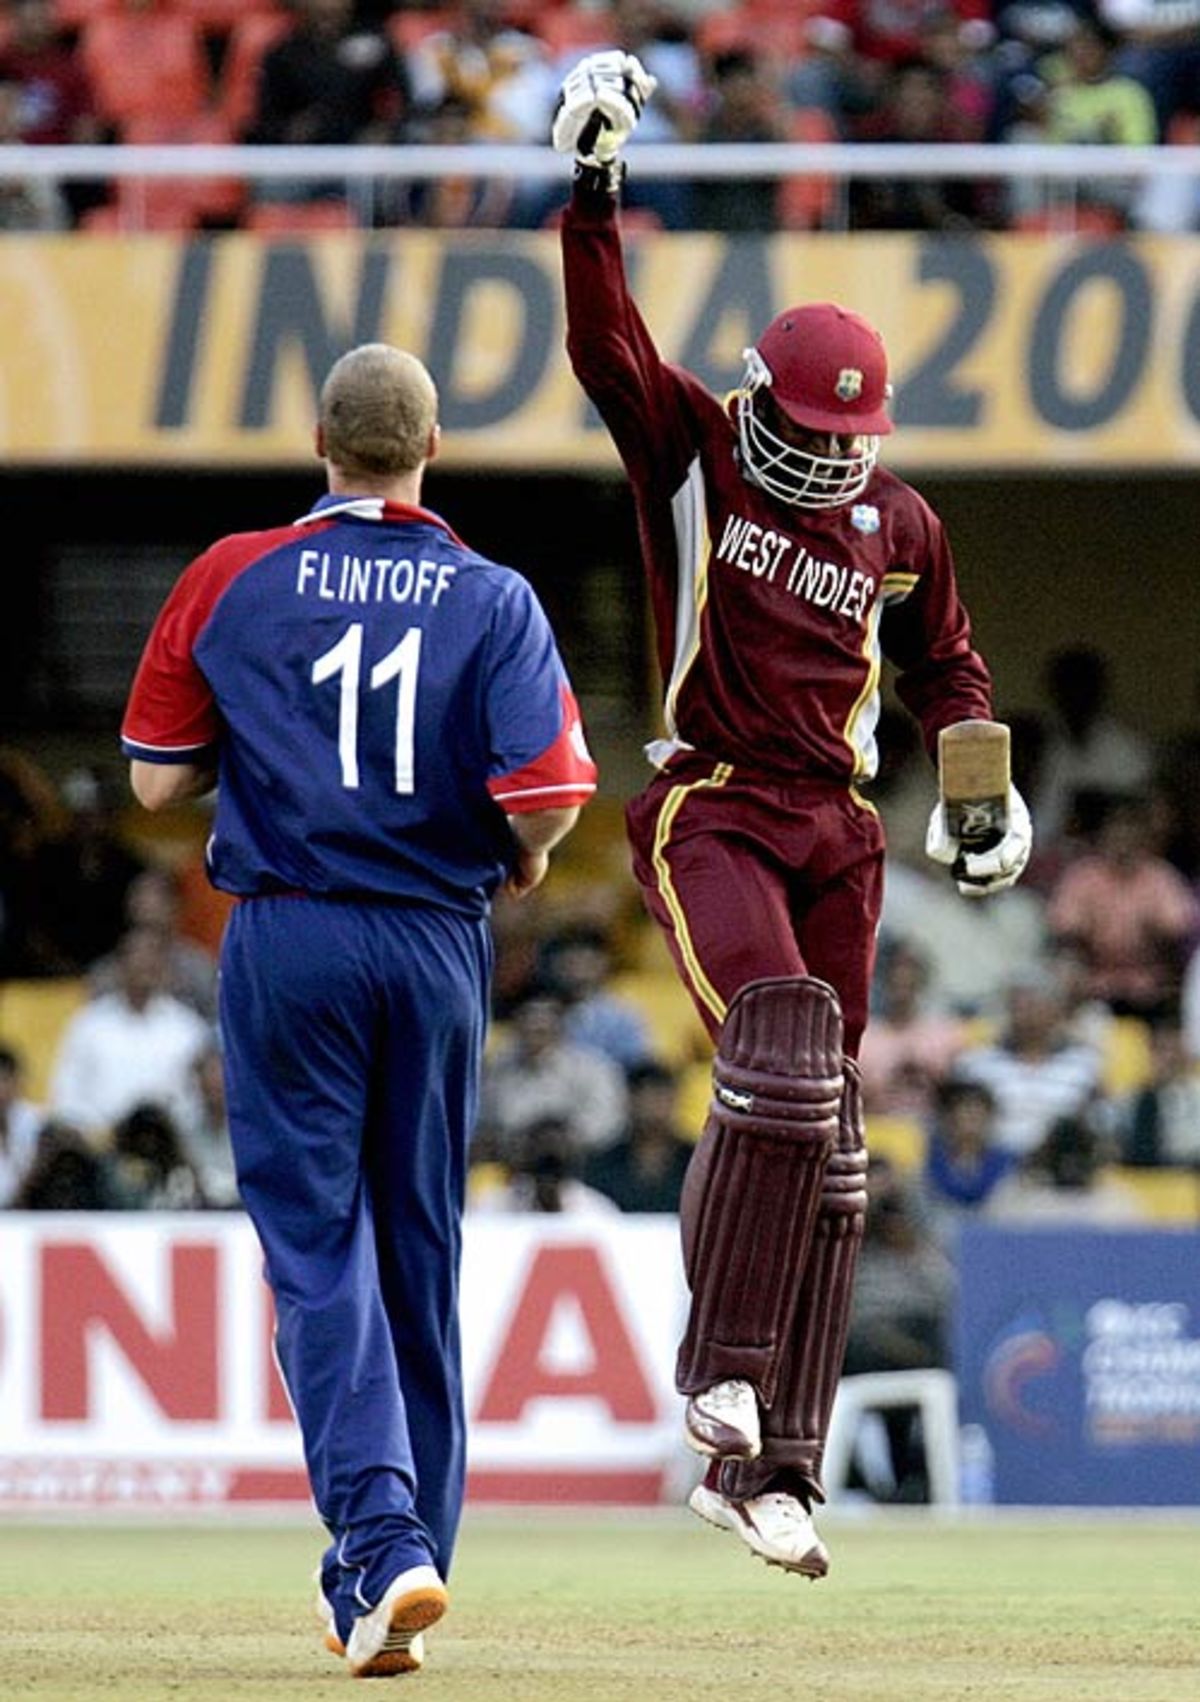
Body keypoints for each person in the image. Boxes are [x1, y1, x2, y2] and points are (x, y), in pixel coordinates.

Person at [550, 51, 1032, 1578]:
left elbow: (950, 666)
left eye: (845, 440)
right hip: (713, 801)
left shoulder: (901, 519)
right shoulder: (697, 451)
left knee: (833, 1138)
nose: (823, 458)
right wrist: (592, 192)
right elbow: (609, 347)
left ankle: (777, 1470)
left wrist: (982, 796)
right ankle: (723, 1370)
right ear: (757, 400)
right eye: (804, 433)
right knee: (774, 1049)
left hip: (842, 824)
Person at [120, 342, 596, 1676]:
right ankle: (392, 1569)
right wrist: (521, 861)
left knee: (318, 1249)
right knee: (420, 1252)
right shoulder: (493, 595)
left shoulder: (235, 574)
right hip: (437, 940)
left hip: (292, 929)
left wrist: (264, 749)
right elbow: (549, 797)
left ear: (319, 443)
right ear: (432, 445)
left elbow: (154, 781)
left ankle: (383, 1544)